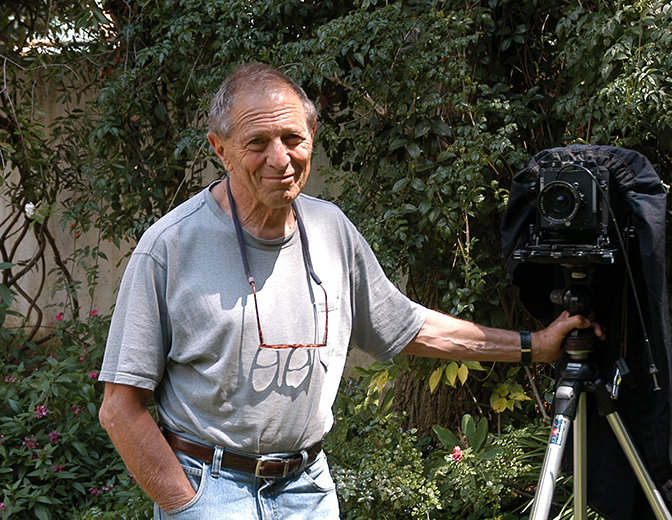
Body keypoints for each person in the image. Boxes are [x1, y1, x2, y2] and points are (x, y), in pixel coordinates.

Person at [98, 62, 599, 520]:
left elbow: (409, 326)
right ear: (219, 149)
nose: (281, 158)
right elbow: (120, 406)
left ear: (312, 135)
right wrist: (186, 505)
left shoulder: (330, 228)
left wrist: (535, 345)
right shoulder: (168, 247)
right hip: (212, 491)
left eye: (293, 137)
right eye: (257, 143)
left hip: (307, 489)